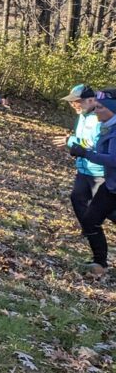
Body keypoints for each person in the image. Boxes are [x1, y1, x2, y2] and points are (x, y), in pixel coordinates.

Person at [67, 96, 116, 271]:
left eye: (100, 107)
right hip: (111, 185)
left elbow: (113, 159)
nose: (96, 111)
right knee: (90, 220)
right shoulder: (107, 127)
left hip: (109, 183)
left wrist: (86, 153)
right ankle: (100, 263)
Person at [57, 85, 105, 233]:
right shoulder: (83, 116)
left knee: (106, 209)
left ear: (91, 100)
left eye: (76, 101)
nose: (73, 105)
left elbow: (94, 143)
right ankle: (89, 230)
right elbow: (81, 139)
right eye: (71, 102)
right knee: (77, 198)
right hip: (83, 169)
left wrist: (70, 141)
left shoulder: (99, 117)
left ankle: (91, 229)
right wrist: (70, 141)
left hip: (100, 172)